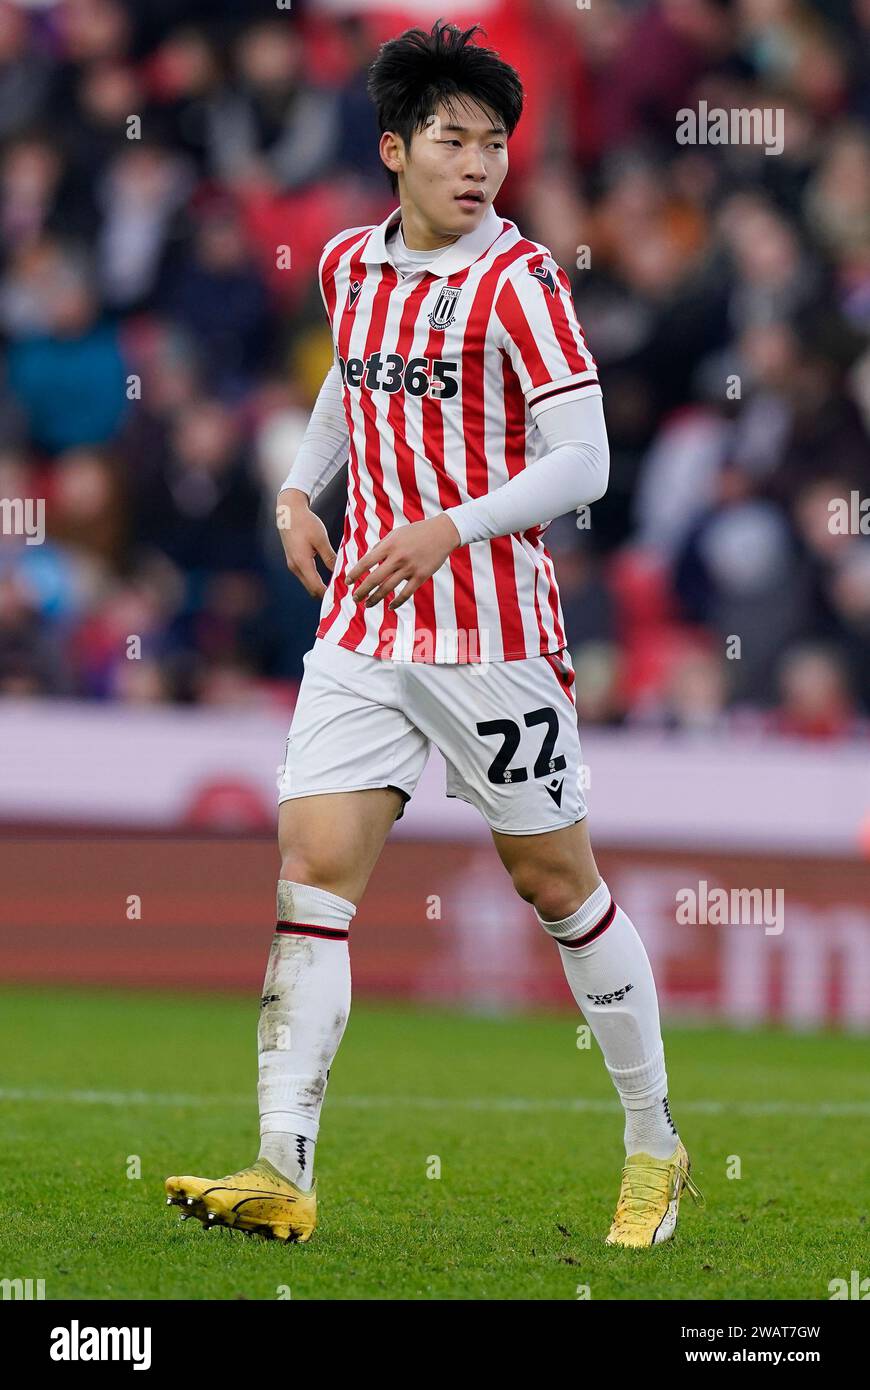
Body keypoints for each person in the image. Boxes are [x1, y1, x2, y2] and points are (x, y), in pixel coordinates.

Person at [166, 20, 702, 1249]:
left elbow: (588, 462)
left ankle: (655, 1145)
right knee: (311, 872)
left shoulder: (521, 285)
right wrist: (301, 490)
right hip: (363, 618)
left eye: (496, 143)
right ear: (394, 148)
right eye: (455, 140)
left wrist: (452, 527)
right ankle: (281, 1167)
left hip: (491, 632)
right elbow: (349, 383)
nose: (480, 164)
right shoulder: (352, 265)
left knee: (555, 883)